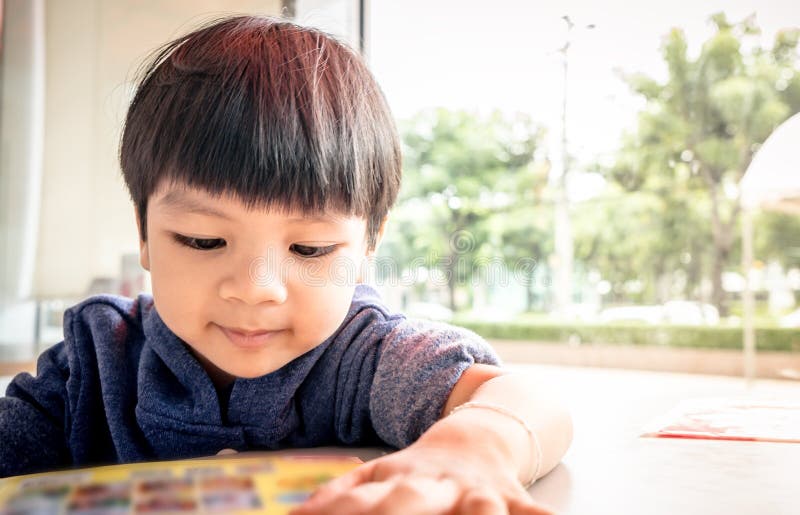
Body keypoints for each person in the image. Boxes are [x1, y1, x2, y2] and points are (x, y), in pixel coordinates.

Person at [0, 15, 572, 514]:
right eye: (202, 240)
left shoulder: (365, 359)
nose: (256, 290)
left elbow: (528, 399)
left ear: (368, 245)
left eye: (311, 249)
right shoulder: (97, 363)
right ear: (144, 235)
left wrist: (470, 452)